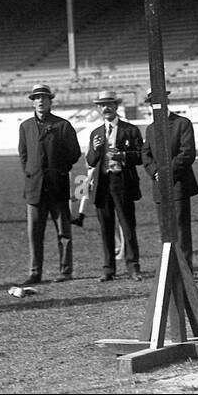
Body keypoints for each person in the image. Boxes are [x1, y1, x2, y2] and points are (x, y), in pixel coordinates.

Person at [17, 84, 81, 285]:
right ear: (33, 102)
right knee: (34, 233)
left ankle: (65, 271)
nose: (40, 101)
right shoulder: (26, 126)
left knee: (64, 232)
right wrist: (31, 173)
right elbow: (24, 154)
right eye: (37, 98)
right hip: (34, 189)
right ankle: (35, 272)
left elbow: (74, 152)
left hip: (57, 187)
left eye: (44, 98)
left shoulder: (63, 125)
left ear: (50, 101)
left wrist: (59, 169)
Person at [85, 92, 143, 283]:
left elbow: (142, 156)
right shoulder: (96, 133)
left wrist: (124, 156)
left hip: (122, 182)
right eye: (102, 105)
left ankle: (133, 267)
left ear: (116, 107)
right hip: (102, 185)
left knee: (127, 226)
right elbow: (91, 161)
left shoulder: (130, 130)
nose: (106, 108)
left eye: (109, 104)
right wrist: (94, 149)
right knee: (106, 229)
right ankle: (109, 269)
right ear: (98, 109)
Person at [141, 92, 198, 272]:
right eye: (152, 102)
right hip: (160, 186)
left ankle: (185, 269)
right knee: (164, 228)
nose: (156, 105)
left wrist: (168, 173)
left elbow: (187, 152)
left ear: (167, 101)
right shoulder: (151, 129)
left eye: (159, 101)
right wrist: (155, 172)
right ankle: (170, 267)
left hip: (178, 184)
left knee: (181, 228)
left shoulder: (182, 123)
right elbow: (146, 154)